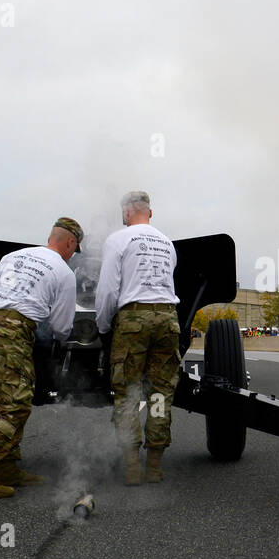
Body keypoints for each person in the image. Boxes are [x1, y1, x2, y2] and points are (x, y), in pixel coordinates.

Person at [0, 217, 81, 498]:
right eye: (75, 249)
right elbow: (61, 326)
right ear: (70, 242)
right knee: (16, 404)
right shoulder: (63, 272)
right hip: (13, 331)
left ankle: (8, 468)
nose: (73, 255)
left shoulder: (15, 255)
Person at [94, 191, 181, 485]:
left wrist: (104, 326)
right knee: (159, 394)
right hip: (168, 318)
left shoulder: (119, 239)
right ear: (150, 213)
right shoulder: (166, 242)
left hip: (133, 319)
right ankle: (154, 465)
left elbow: (107, 289)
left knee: (128, 394)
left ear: (127, 212)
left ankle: (132, 466)